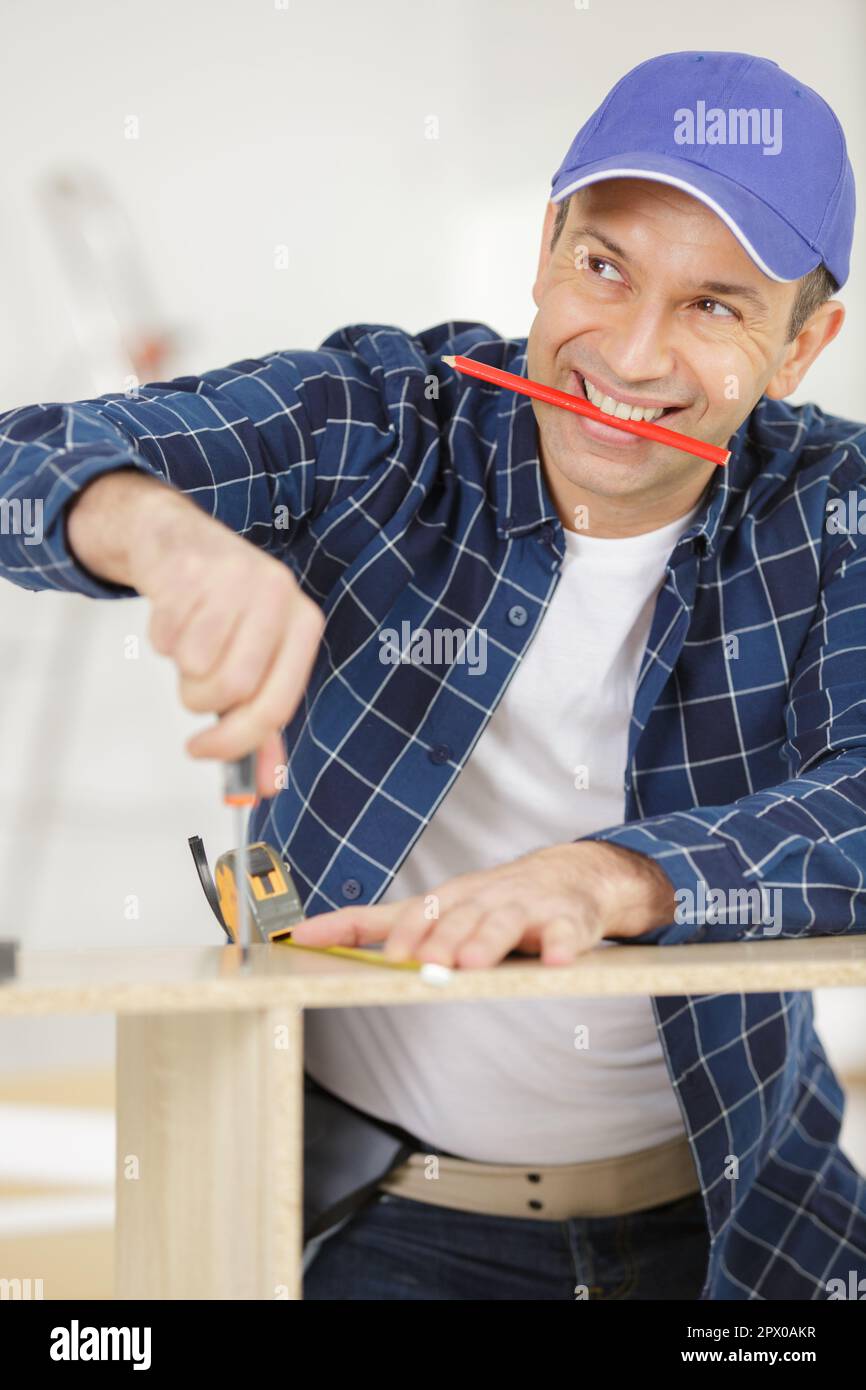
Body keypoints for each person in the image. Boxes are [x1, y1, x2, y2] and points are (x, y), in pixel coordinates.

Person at [1, 50, 864, 1300]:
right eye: (602, 266)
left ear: (800, 346)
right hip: (378, 1228)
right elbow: (28, 457)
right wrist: (159, 533)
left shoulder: (834, 507)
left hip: (740, 1234)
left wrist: (608, 875)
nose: (625, 355)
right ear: (542, 250)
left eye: (714, 307)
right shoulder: (381, 418)